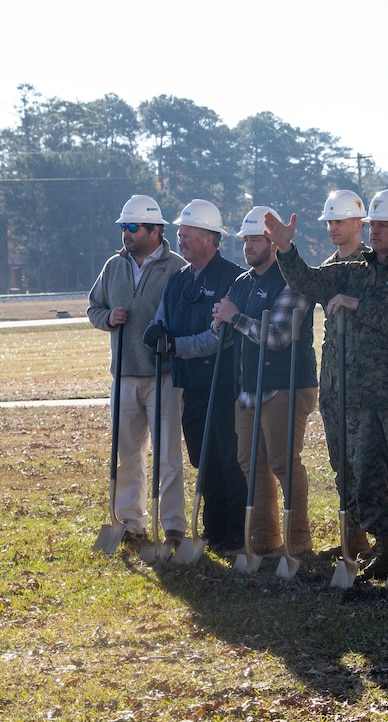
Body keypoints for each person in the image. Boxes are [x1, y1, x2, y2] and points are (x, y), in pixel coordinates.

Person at [268, 189, 388, 583]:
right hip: (358, 397)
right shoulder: (352, 269)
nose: (376, 230)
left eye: (384, 225)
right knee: (366, 475)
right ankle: (386, 549)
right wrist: (285, 249)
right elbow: (309, 282)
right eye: (372, 224)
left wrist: (357, 305)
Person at [211, 206, 319, 557]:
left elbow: (280, 336)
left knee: (284, 464)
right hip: (248, 388)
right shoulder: (242, 283)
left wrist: (236, 317)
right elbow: (226, 327)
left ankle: (299, 544)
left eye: (255, 240)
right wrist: (220, 321)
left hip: (285, 385)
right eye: (246, 240)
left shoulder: (293, 279)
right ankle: (265, 541)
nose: (248, 247)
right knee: (250, 465)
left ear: (274, 243)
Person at [145, 199, 247, 555]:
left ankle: (237, 532)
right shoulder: (178, 280)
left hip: (224, 384)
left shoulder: (233, 278)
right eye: (179, 234)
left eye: (187, 235)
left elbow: (218, 338)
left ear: (209, 238)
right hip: (191, 384)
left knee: (226, 456)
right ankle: (214, 529)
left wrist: (174, 345)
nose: (181, 241)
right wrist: (156, 332)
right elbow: (162, 318)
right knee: (201, 458)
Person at [88, 195, 187, 546]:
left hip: (165, 376)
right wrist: (108, 318)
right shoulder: (113, 266)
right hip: (125, 376)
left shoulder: (177, 268)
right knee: (127, 454)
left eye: (131, 227)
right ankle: (131, 522)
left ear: (154, 229)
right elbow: (94, 307)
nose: (125, 233)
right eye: (122, 227)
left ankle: (173, 525)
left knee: (168, 456)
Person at [313, 189, 373, 561]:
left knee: (366, 463)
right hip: (333, 381)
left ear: (359, 223)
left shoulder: (373, 266)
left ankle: (378, 538)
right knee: (340, 462)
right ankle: (353, 539)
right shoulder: (326, 268)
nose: (333, 227)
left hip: (365, 381)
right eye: (329, 222)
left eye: (340, 221)